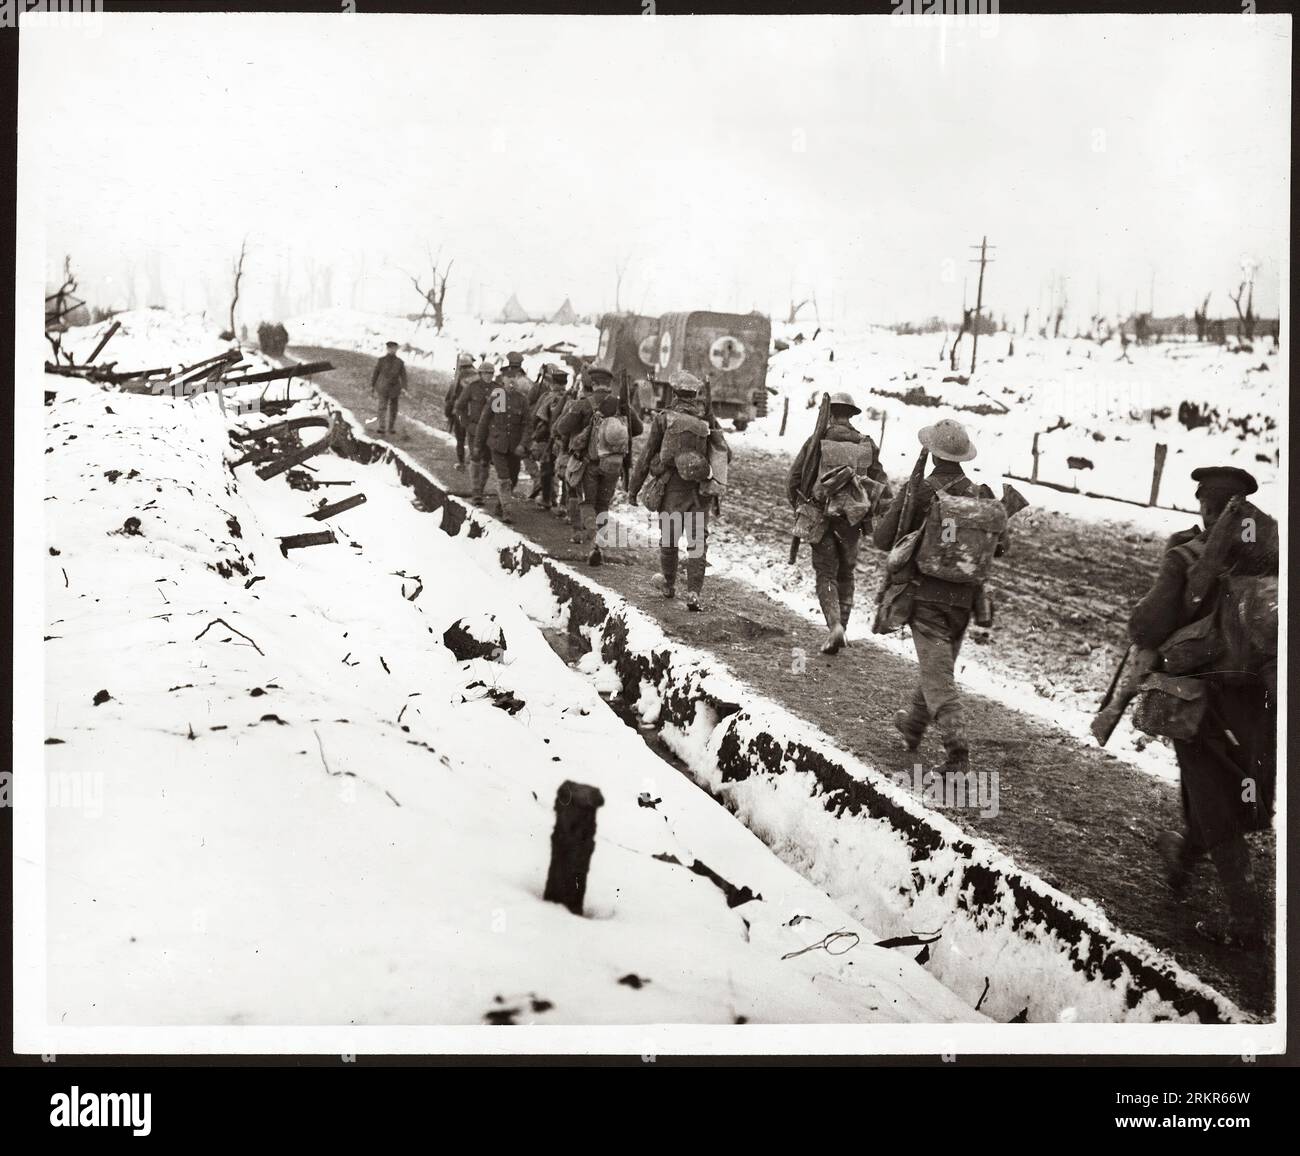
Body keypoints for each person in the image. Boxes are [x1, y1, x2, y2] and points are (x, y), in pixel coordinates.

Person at [1129, 466, 1277, 949]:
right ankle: (1181, 863)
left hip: (1200, 701)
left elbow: (1149, 627)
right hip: (1259, 698)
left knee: (1212, 801)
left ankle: (1246, 923)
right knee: (1225, 789)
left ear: (1208, 506)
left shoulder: (1187, 553)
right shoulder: (1274, 551)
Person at [872, 418, 1002, 772]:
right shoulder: (978, 494)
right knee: (938, 666)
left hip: (925, 597)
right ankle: (914, 723)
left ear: (931, 453)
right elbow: (999, 546)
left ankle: (957, 752)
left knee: (938, 674)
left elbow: (882, 539)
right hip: (965, 601)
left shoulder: (922, 491)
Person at [787, 391, 892, 654]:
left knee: (826, 574)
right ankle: (842, 628)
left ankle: (834, 627)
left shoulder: (817, 441)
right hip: (852, 522)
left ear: (830, 414)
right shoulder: (865, 444)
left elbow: (794, 480)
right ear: (851, 416)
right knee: (847, 573)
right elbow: (881, 486)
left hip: (821, 518)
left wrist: (801, 509)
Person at [628, 369, 720, 609]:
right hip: (699, 491)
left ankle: (669, 584)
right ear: (695, 394)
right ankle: (694, 593)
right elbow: (723, 453)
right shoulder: (706, 421)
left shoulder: (664, 419)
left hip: (672, 490)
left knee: (669, 539)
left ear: (675, 392)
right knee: (697, 542)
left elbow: (647, 455)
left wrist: (633, 489)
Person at [553, 367, 643, 563]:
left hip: (588, 464)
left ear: (593, 384)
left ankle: (594, 542)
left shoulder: (582, 405)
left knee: (587, 503)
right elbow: (637, 429)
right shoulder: (621, 405)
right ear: (609, 385)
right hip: (613, 465)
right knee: (603, 505)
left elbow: (561, 428)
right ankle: (600, 543)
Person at [475, 361, 532, 523]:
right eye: (508, 377)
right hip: (498, 445)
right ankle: (507, 511)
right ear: (503, 379)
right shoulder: (497, 396)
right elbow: (484, 422)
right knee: (504, 478)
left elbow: (528, 425)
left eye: (514, 377)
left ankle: (501, 504)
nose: (512, 380)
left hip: (515, 447)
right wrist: (478, 445)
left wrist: (523, 444)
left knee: (513, 479)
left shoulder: (522, 400)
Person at [454, 360, 495, 504]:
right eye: (486, 373)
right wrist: (466, 424)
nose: (488, 376)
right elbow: (459, 408)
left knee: (486, 461)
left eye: (491, 373)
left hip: (491, 431)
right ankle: (476, 491)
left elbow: (502, 412)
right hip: (475, 429)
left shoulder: (498, 390)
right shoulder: (472, 388)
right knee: (475, 458)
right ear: (480, 374)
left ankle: (481, 489)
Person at [528, 364, 569, 509]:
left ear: (552, 383)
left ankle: (547, 499)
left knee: (547, 468)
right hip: (566, 440)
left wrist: (534, 433)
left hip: (548, 438)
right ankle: (562, 503)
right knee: (564, 472)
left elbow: (538, 417)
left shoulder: (549, 397)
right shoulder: (571, 397)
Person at [444, 352, 475, 468]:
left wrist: (448, 413)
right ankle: (472, 459)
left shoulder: (458, 379)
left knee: (460, 439)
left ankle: (461, 463)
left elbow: (450, 397)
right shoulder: (479, 377)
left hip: (461, 414)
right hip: (475, 413)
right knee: (473, 438)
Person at [370, 340, 407, 436]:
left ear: (396, 350)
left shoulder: (400, 362)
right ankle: (382, 427)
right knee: (382, 407)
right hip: (383, 387)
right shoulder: (381, 360)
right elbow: (376, 373)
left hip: (395, 388)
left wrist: (404, 387)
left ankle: (391, 427)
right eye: (390, 348)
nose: (392, 350)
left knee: (393, 409)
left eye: (394, 349)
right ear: (387, 349)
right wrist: (372, 386)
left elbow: (403, 376)